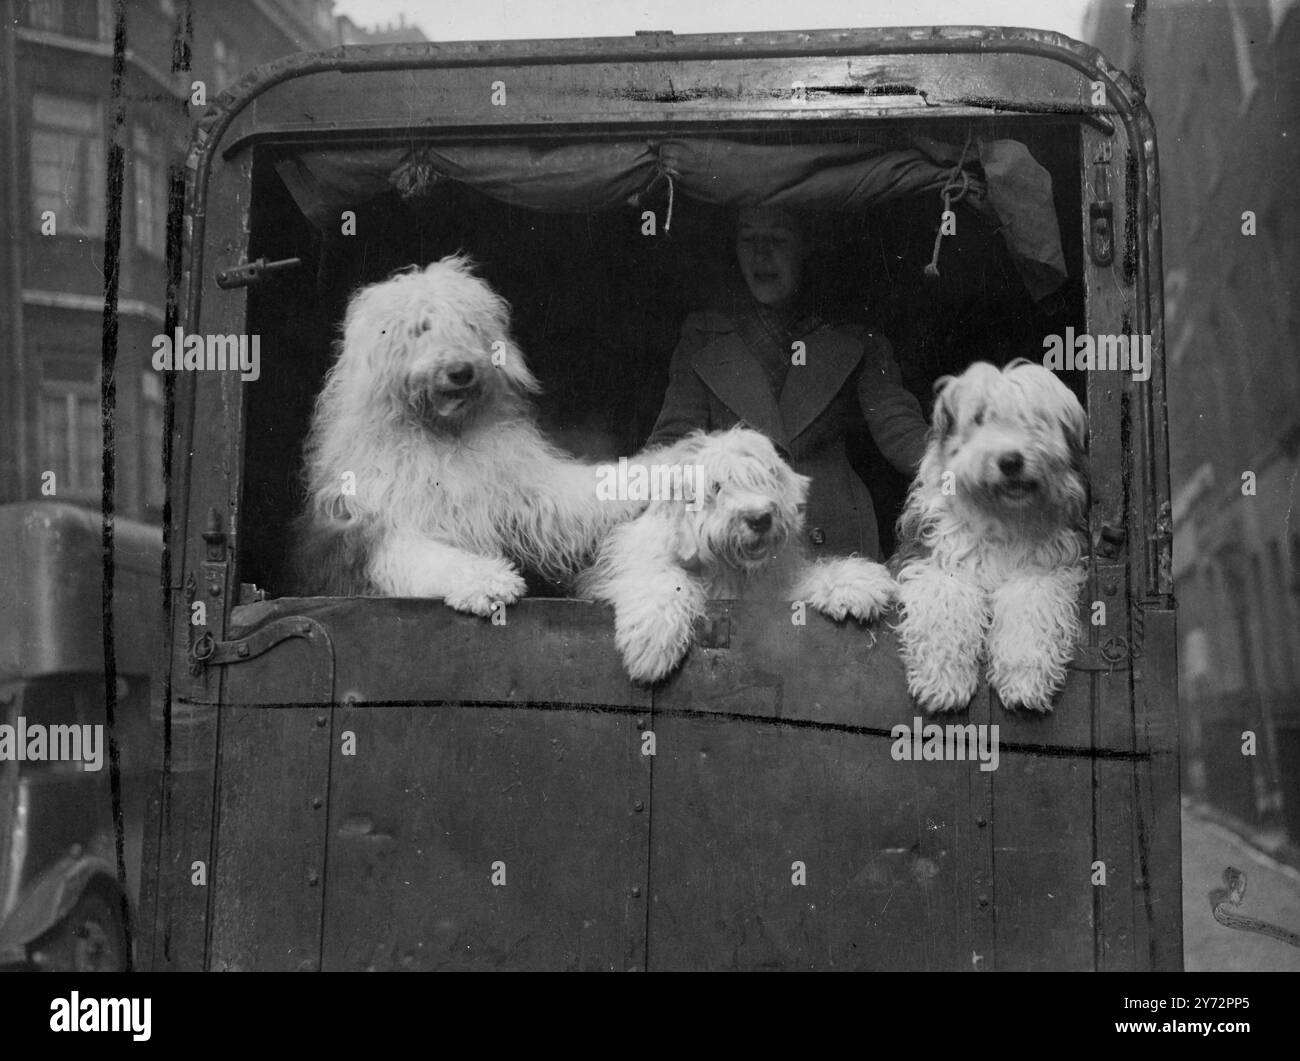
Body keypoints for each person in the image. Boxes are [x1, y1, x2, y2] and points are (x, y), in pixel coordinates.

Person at [645, 206, 929, 560]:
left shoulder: (856, 336)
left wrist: (967, 468)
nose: (761, 252)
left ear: (806, 246)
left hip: (830, 534)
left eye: (778, 237)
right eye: (748, 237)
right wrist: (614, 494)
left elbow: (899, 428)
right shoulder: (702, 335)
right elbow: (673, 442)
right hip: (736, 538)